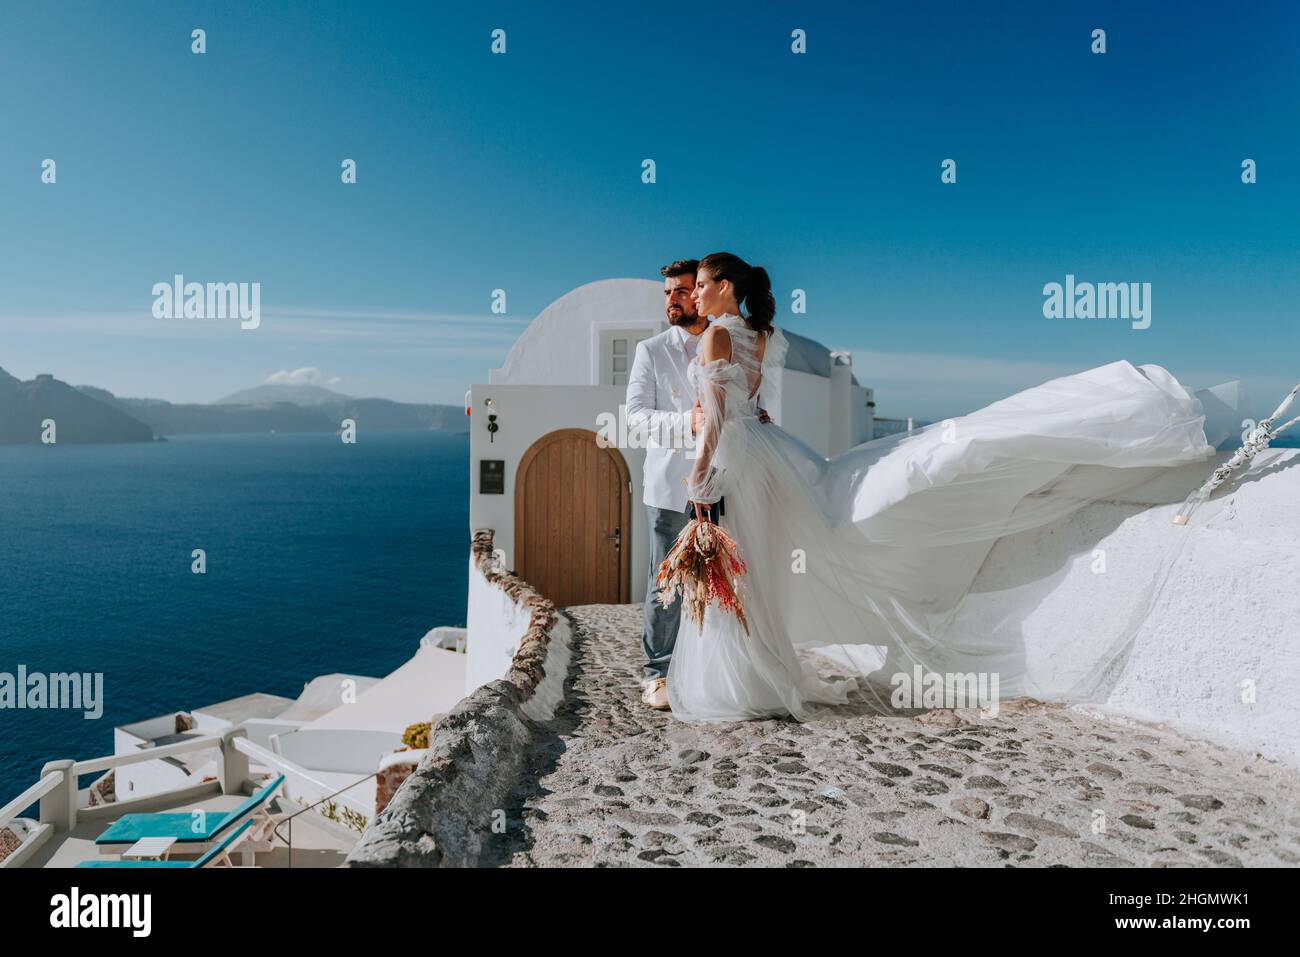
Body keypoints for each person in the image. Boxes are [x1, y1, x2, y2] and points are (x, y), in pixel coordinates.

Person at [665, 251, 1217, 723]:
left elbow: (717, 414)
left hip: (736, 456)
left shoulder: (716, 335)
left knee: (737, 570)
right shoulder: (760, 336)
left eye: (704, 285)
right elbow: (753, 407)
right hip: (766, 454)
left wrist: (700, 474)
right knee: (753, 568)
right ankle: (758, 678)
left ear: (726, 287)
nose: (697, 294)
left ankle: (734, 685)